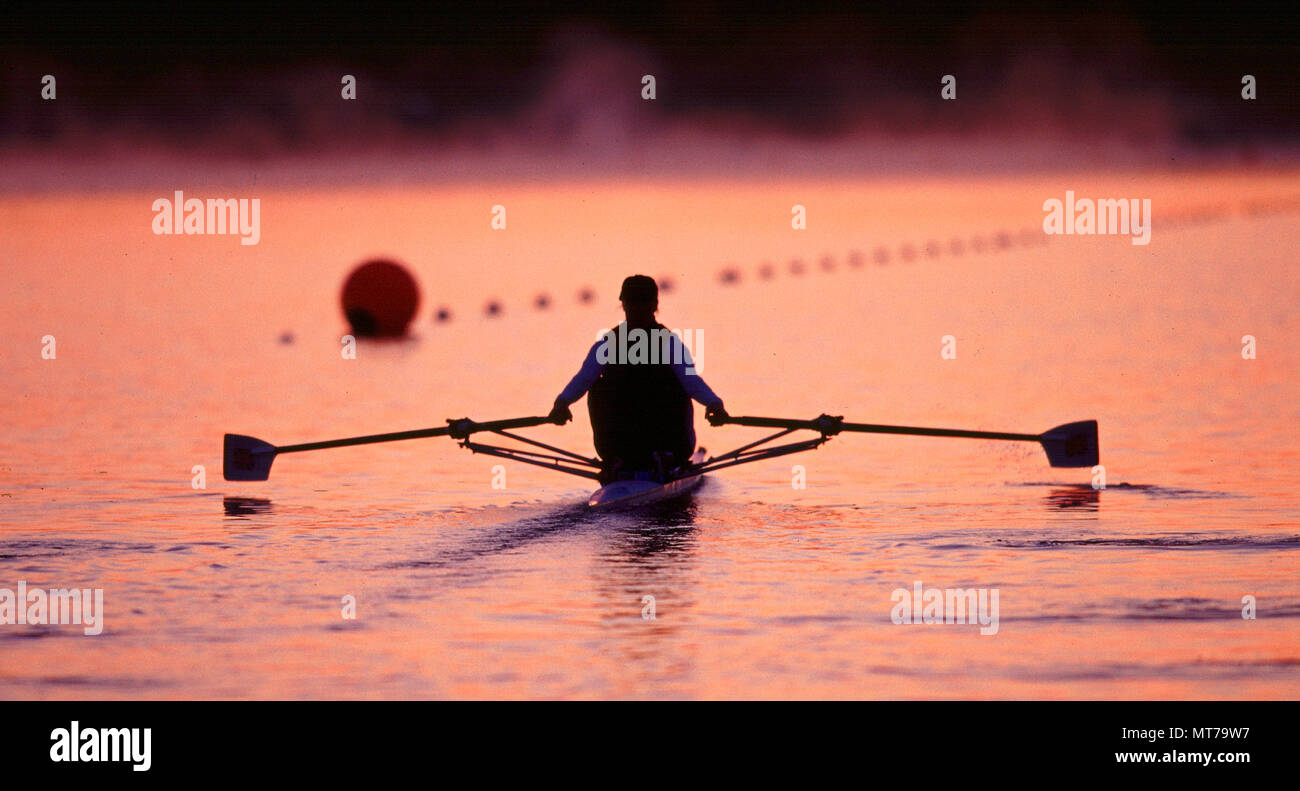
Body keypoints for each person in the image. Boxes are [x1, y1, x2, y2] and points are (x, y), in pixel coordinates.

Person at [549, 275, 728, 480]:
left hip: (668, 441)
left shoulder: (669, 343)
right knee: (598, 386)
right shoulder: (609, 343)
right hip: (624, 443)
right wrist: (562, 403)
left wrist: (714, 403)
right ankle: (618, 457)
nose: (637, 308)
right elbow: (584, 379)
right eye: (633, 302)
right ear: (623, 304)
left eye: (642, 302)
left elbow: (691, 382)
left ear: (654, 304)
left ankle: (664, 455)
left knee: (671, 382)